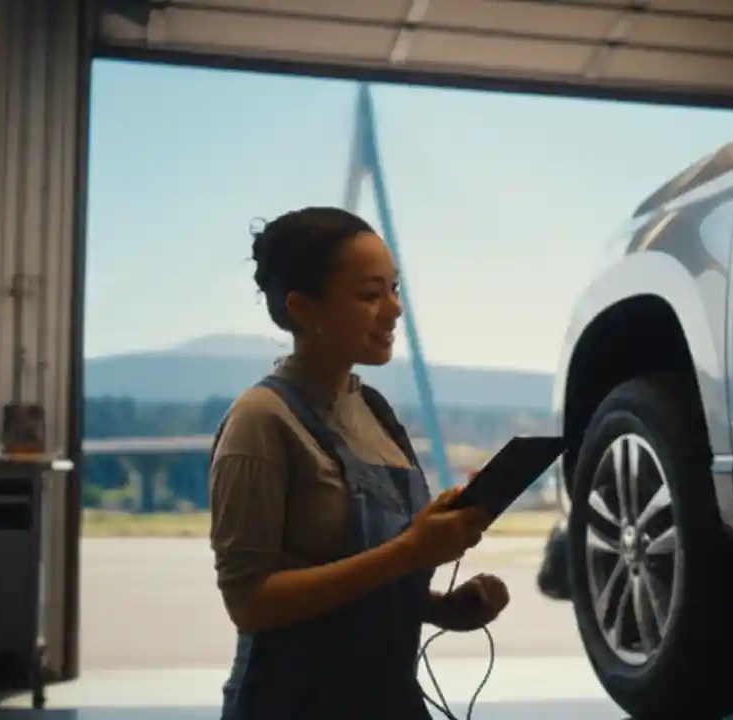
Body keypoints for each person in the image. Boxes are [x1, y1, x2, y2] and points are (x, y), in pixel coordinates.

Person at [208, 207, 510, 719]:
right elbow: (252, 602)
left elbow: (359, 581)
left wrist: (438, 607)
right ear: (303, 308)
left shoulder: (374, 411)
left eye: (395, 289)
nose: (393, 310)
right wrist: (409, 553)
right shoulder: (259, 422)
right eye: (370, 295)